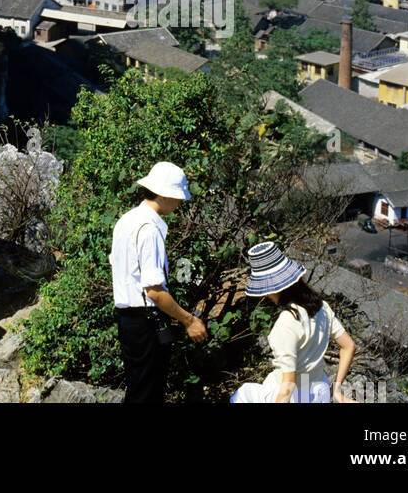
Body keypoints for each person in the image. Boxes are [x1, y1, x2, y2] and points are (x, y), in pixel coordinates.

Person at [108, 161, 208, 403]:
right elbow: (154, 291)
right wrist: (189, 320)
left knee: (138, 389)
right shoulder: (149, 229)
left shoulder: (127, 220)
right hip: (145, 321)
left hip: (127, 319)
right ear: (163, 195)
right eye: (177, 197)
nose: (179, 202)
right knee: (148, 395)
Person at [230, 243, 356, 404]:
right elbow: (349, 346)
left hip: (295, 395)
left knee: (240, 396)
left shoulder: (286, 323)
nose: (267, 294)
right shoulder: (322, 307)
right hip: (320, 391)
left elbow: (288, 383)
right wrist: (337, 391)